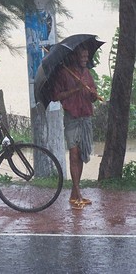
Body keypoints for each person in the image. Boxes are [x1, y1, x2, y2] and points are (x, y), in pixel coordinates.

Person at [52, 46, 98, 210]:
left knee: (82, 155)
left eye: (87, 55)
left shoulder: (87, 73)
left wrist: (93, 95)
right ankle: (78, 193)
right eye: (82, 55)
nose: (85, 58)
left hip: (85, 117)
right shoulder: (64, 73)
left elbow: (92, 95)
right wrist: (75, 89)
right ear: (74, 56)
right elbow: (56, 96)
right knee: (74, 154)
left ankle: (74, 193)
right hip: (72, 118)